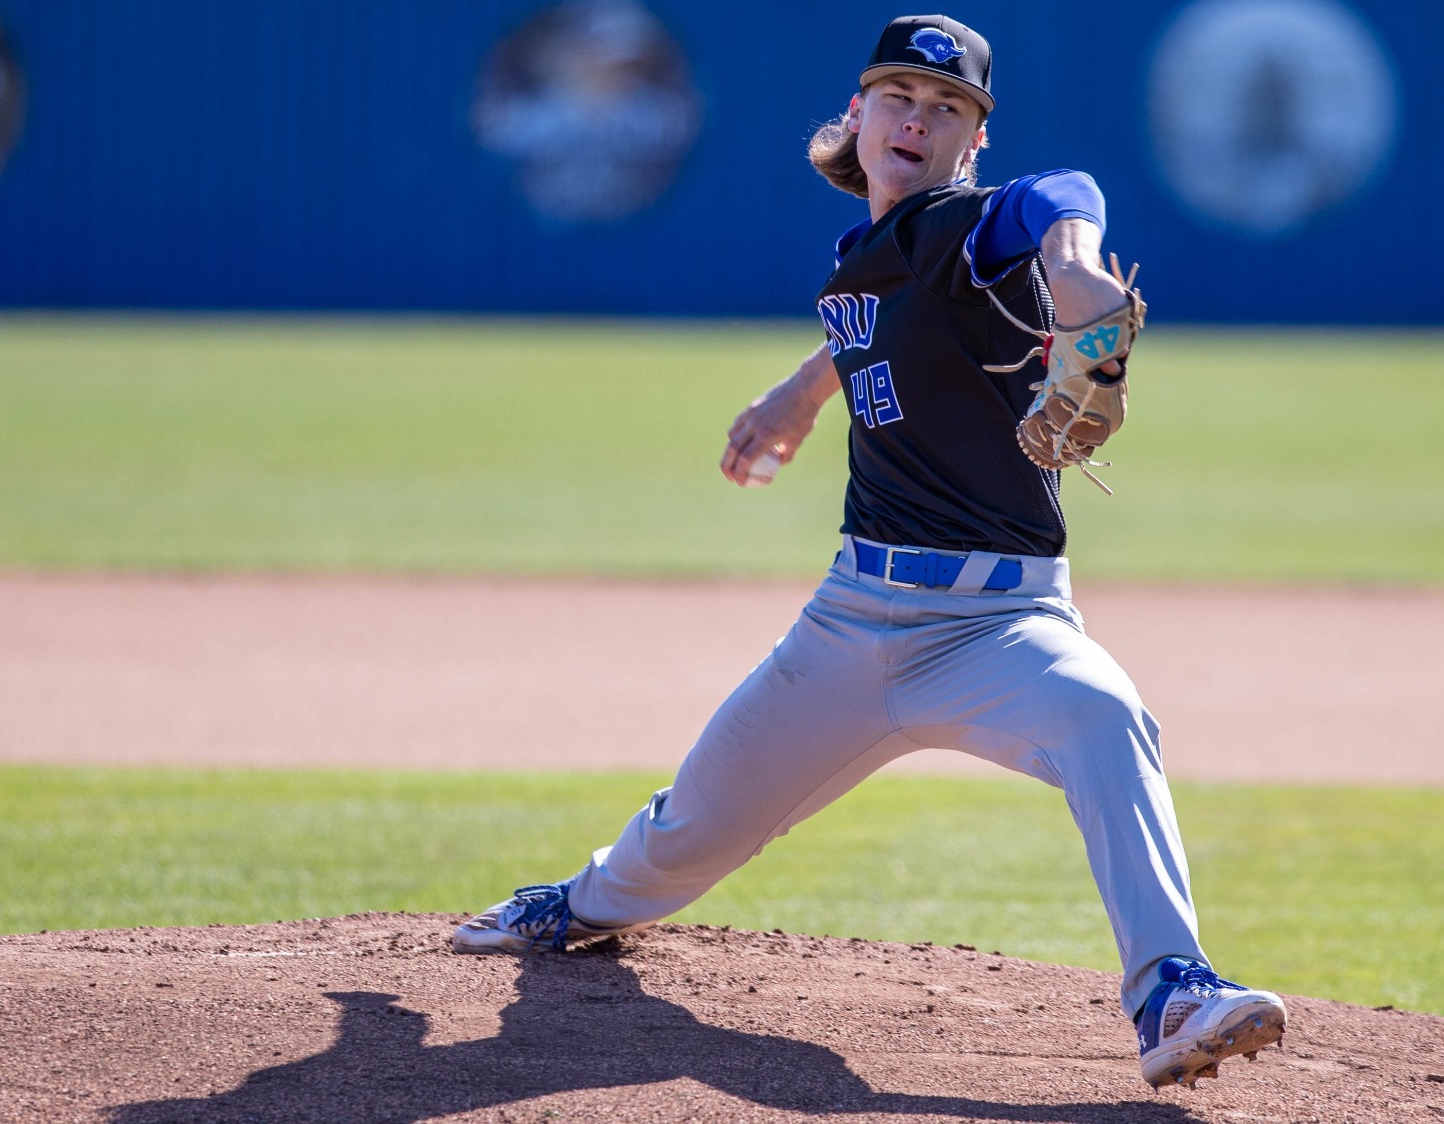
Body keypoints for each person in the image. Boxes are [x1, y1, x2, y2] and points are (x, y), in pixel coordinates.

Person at [452, 14, 1286, 1091]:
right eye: (898, 96)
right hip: (850, 627)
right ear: (857, 116)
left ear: (968, 144)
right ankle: (580, 902)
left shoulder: (973, 229)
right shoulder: (865, 257)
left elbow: (1060, 194)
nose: (917, 119)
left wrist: (1077, 274)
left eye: (947, 109)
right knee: (692, 826)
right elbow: (868, 322)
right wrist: (795, 393)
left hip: (1002, 626)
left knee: (1104, 713)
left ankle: (1171, 989)